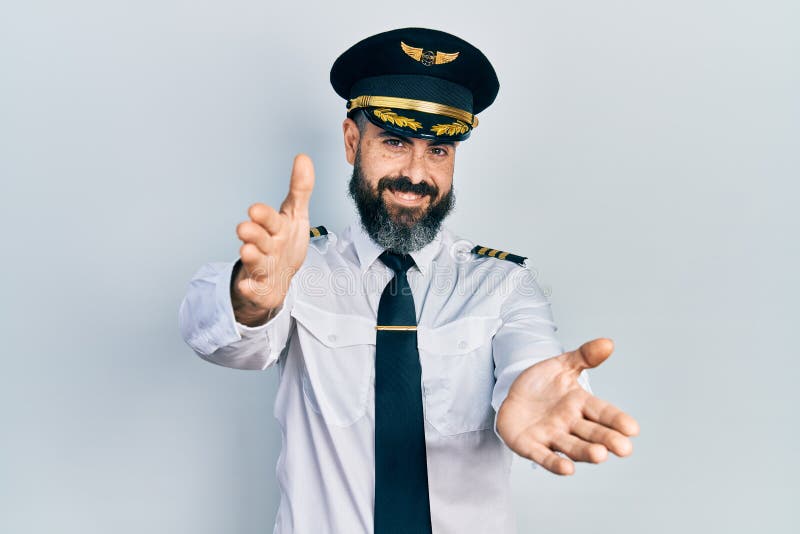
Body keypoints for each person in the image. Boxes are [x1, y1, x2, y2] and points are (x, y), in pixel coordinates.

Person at [179, 27, 640, 534]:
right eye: (395, 141)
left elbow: (533, 365)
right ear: (353, 142)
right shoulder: (297, 265)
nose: (417, 174)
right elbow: (222, 342)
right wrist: (254, 300)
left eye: (439, 150)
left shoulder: (503, 283)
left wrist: (544, 397)